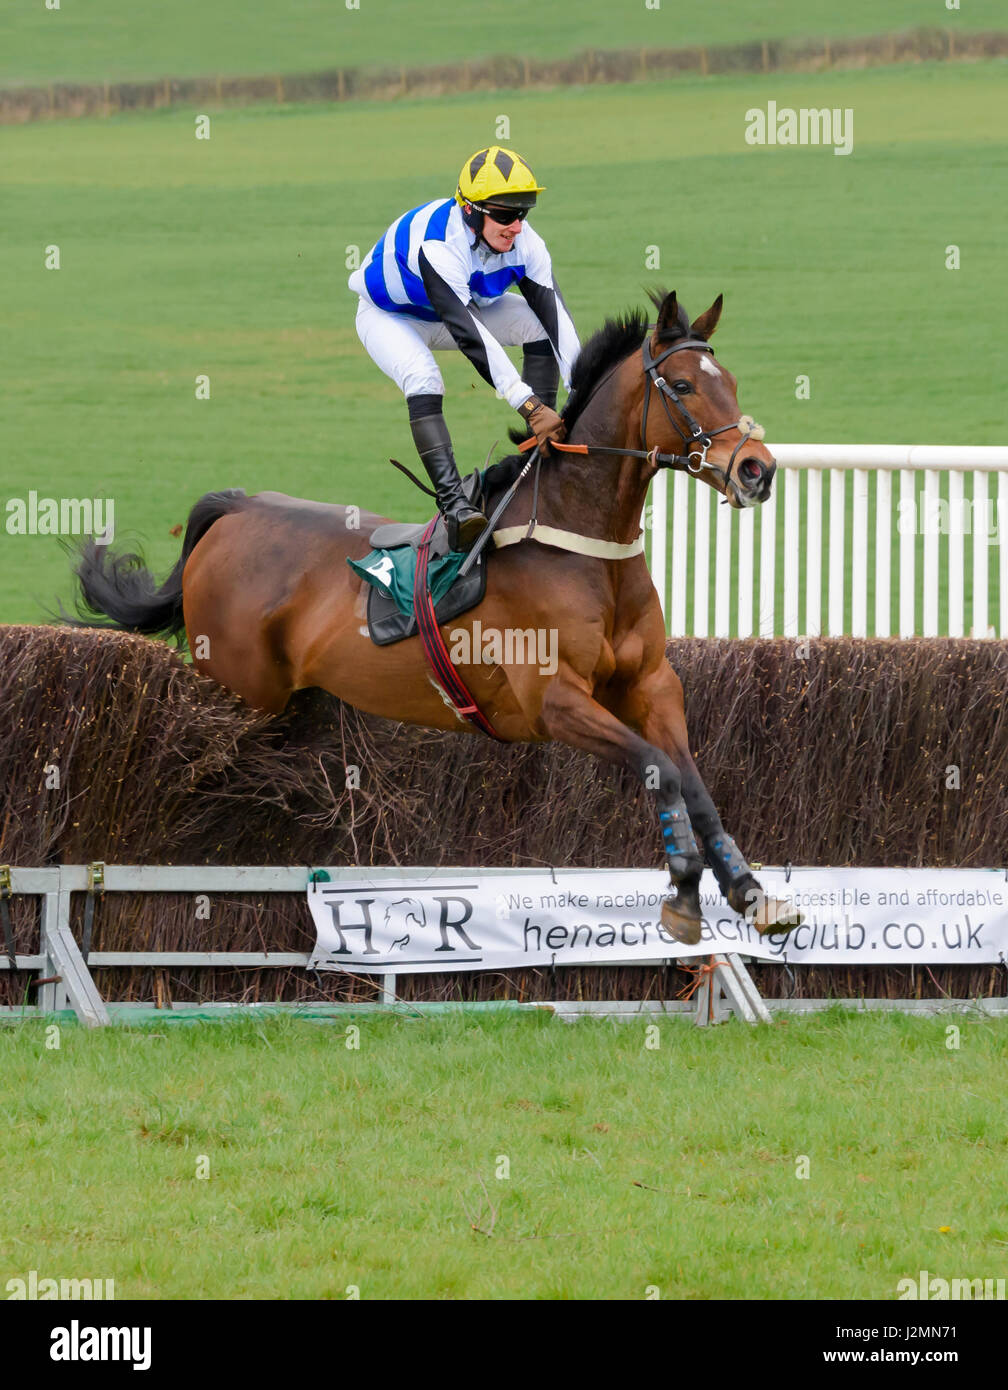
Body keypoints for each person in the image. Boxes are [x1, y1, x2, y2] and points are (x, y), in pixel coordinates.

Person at [349, 145, 580, 550]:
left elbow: (556, 320)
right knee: (424, 377)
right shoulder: (440, 244)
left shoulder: (527, 244)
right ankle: (456, 506)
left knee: (534, 323)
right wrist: (530, 404)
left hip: (455, 307)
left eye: (523, 213)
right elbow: (473, 338)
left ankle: (537, 456)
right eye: (505, 215)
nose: (516, 227)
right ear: (471, 211)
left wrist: (580, 391)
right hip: (391, 317)